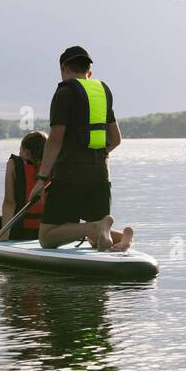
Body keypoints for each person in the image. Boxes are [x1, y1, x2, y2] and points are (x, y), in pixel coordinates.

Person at [33, 46, 134, 252]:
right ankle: (124, 237)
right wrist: (97, 156)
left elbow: (54, 140)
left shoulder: (65, 92)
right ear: (89, 72)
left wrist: (42, 179)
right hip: (100, 177)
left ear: (63, 67)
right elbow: (115, 139)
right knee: (95, 239)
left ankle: (96, 226)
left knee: (47, 237)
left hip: (70, 176)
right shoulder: (103, 91)